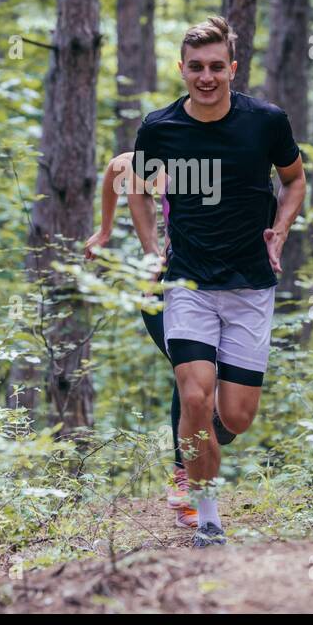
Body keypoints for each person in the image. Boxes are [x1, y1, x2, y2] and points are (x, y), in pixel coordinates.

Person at [129, 16, 305, 547]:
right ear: (181, 70)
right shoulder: (159, 128)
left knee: (236, 416)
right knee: (195, 396)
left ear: (232, 68)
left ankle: (196, 449)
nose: (206, 77)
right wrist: (151, 253)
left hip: (250, 286)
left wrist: (281, 230)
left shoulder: (266, 121)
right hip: (188, 284)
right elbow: (136, 189)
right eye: (195, 68)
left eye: (215, 67)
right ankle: (207, 520)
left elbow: (294, 180)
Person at [84, 154, 198, 529]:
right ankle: (185, 482)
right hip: (164, 289)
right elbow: (116, 168)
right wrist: (103, 231)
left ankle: (193, 474)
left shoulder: (221, 162)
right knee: (189, 374)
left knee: (213, 387)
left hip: (219, 287)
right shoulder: (158, 162)